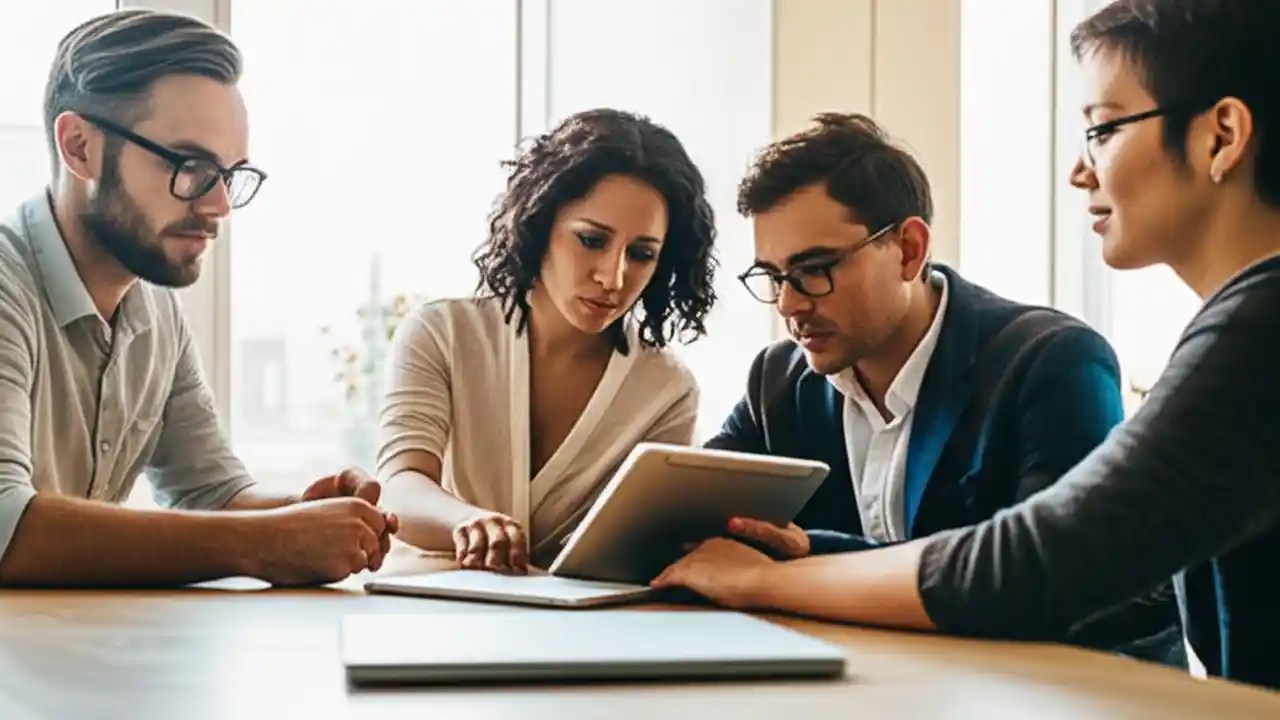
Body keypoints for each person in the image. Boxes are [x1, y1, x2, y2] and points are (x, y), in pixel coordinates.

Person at [654, 0, 1280, 690]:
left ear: (1222, 136)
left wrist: (773, 577)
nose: (1080, 171)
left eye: (1102, 129)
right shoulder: (1241, 326)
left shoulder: (1252, 335)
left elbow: (1034, 568)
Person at [0, 9, 398, 589]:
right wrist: (265, 543)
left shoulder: (154, 307)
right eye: (190, 167)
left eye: (230, 174)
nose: (218, 207)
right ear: (80, 147)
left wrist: (307, 513)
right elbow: (5, 525)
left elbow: (210, 491)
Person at [378, 108, 717, 574]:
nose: (612, 278)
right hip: (433, 607)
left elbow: (639, 543)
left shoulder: (667, 389)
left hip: (577, 628)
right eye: (591, 240)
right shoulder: (442, 333)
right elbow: (399, 485)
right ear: (540, 224)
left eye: (641, 254)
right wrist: (469, 522)